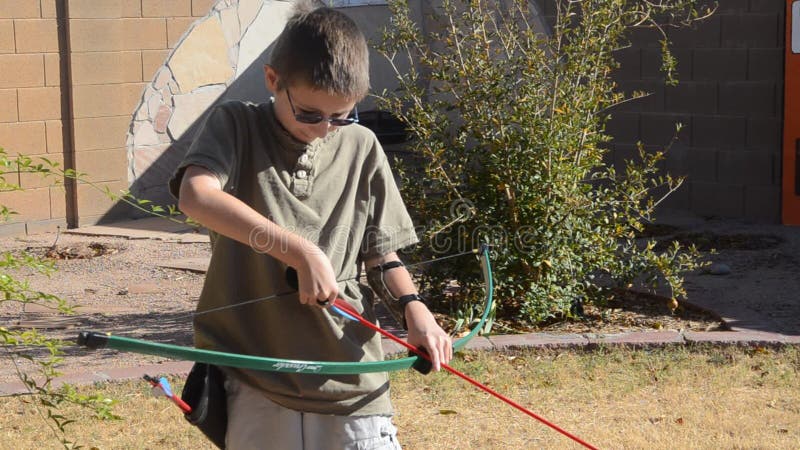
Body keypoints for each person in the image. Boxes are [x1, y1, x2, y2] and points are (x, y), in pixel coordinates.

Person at [169, 2, 453, 448]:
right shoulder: (236, 125)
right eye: (309, 114)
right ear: (272, 80)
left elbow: (382, 253)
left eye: (341, 116)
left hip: (349, 379)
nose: (324, 129)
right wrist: (300, 251)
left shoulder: (362, 147)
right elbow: (196, 195)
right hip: (256, 378)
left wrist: (415, 310)